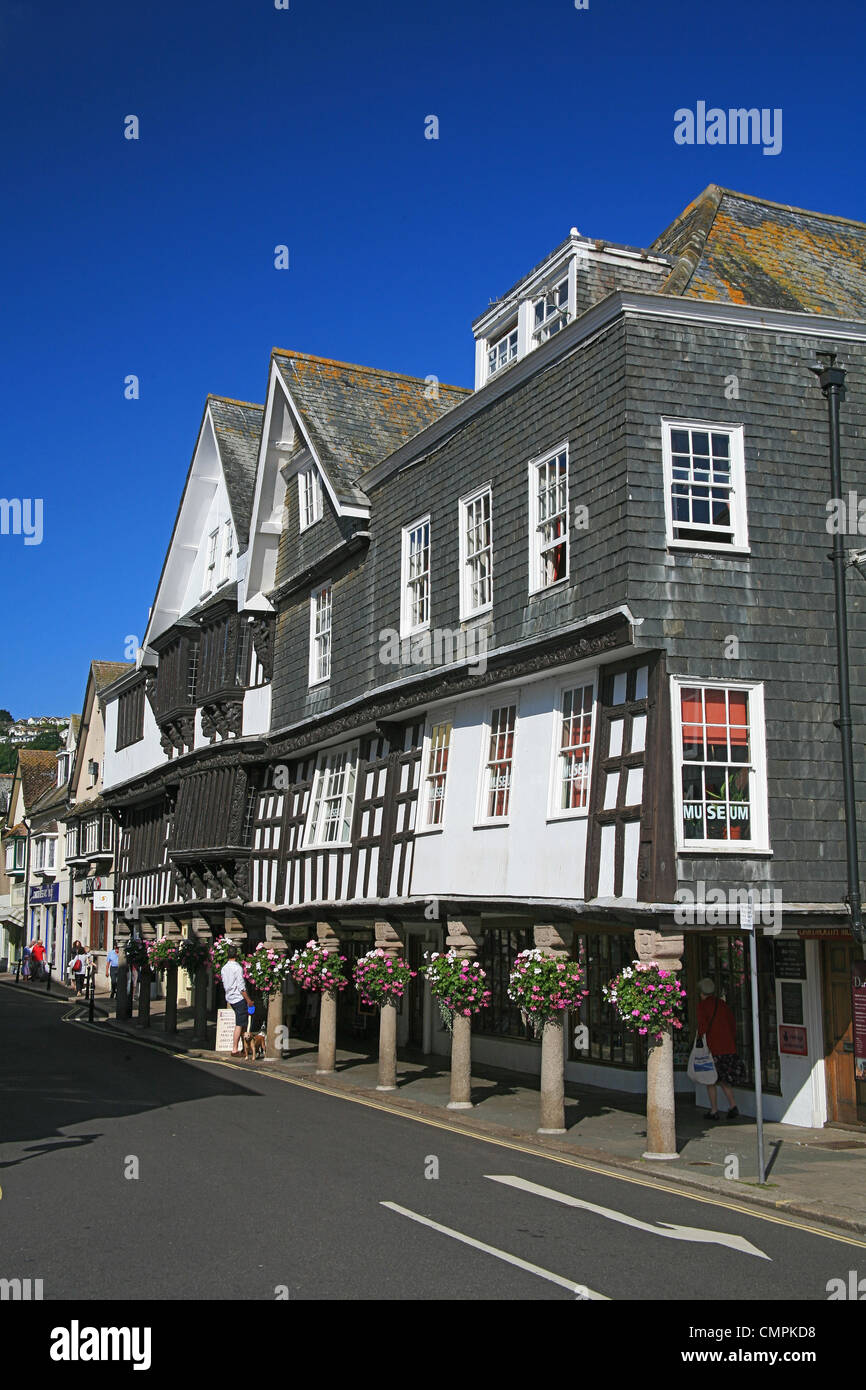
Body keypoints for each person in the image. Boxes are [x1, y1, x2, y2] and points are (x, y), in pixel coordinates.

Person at [696, 977, 744, 1121]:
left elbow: (702, 1028)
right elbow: (732, 1025)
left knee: (711, 1080)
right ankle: (733, 1105)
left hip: (713, 1047)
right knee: (724, 1079)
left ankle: (714, 1110)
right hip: (728, 1046)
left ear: (701, 992)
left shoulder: (702, 1006)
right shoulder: (722, 1005)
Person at [220, 943, 255, 1056]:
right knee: (239, 1024)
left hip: (229, 997)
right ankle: (235, 1049)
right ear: (237, 955)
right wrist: (248, 1000)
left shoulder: (224, 968)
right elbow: (241, 987)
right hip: (238, 998)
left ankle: (245, 1048)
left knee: (243, 1024)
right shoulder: (238, 968)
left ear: (227, 954)